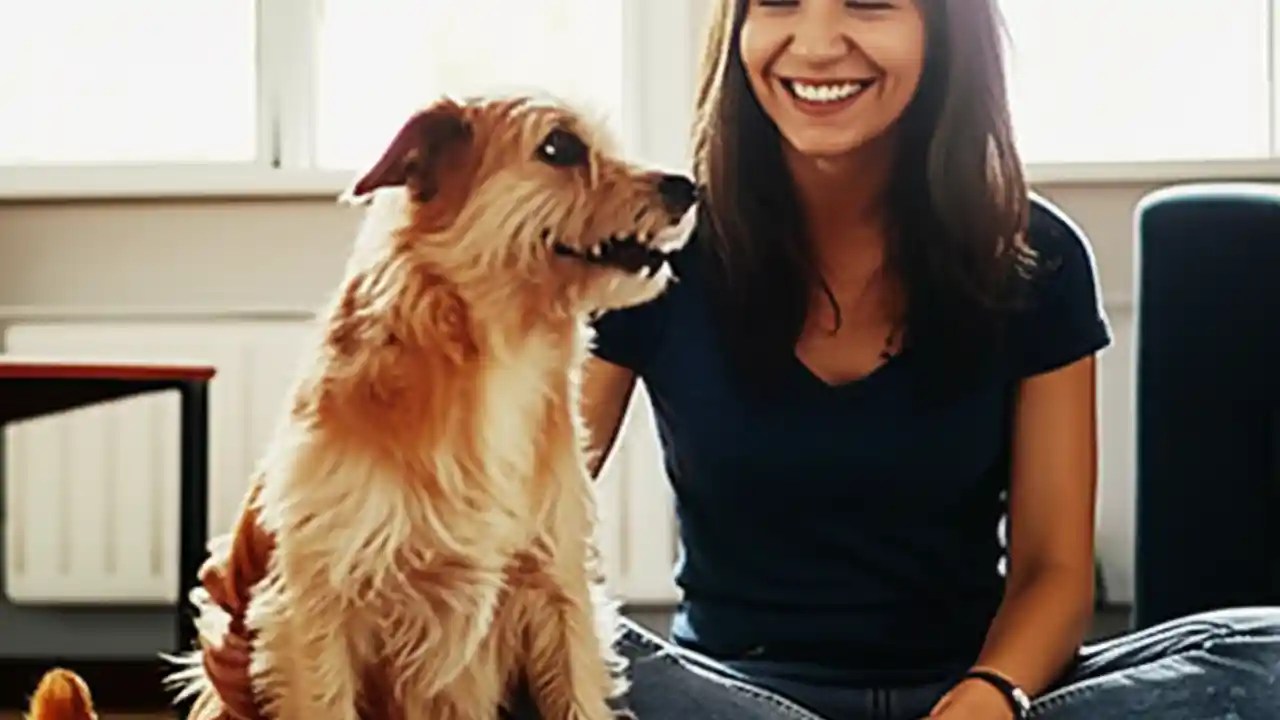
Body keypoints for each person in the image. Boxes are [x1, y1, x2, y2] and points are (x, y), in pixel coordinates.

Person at [192, 0, 1280, 718]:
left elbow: (1049, 569)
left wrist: (985, 700)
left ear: (939, 32)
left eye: (866, 1)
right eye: (776, 2)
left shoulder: (1035, 253)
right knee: (545, 651)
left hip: (978, 692)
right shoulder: (634, 255)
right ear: (737, 32)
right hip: (724, 695)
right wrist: (290, 607)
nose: (815, 40)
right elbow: (517, 551)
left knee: (1259, 651)